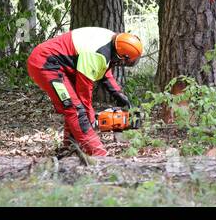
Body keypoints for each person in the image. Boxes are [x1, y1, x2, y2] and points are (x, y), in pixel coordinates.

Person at [27, 27, 143, 157]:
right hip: (46, 64)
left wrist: (119, 95)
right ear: (123, 56)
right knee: (75, 109)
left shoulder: (111, 41)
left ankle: (69, 148)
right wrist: (90, 117)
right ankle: (98, 154)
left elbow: (104, 71)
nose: (122, 64)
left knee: (75, 109)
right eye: (125, 62)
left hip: (60, 65)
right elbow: (84, 91)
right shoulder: (98, 54)